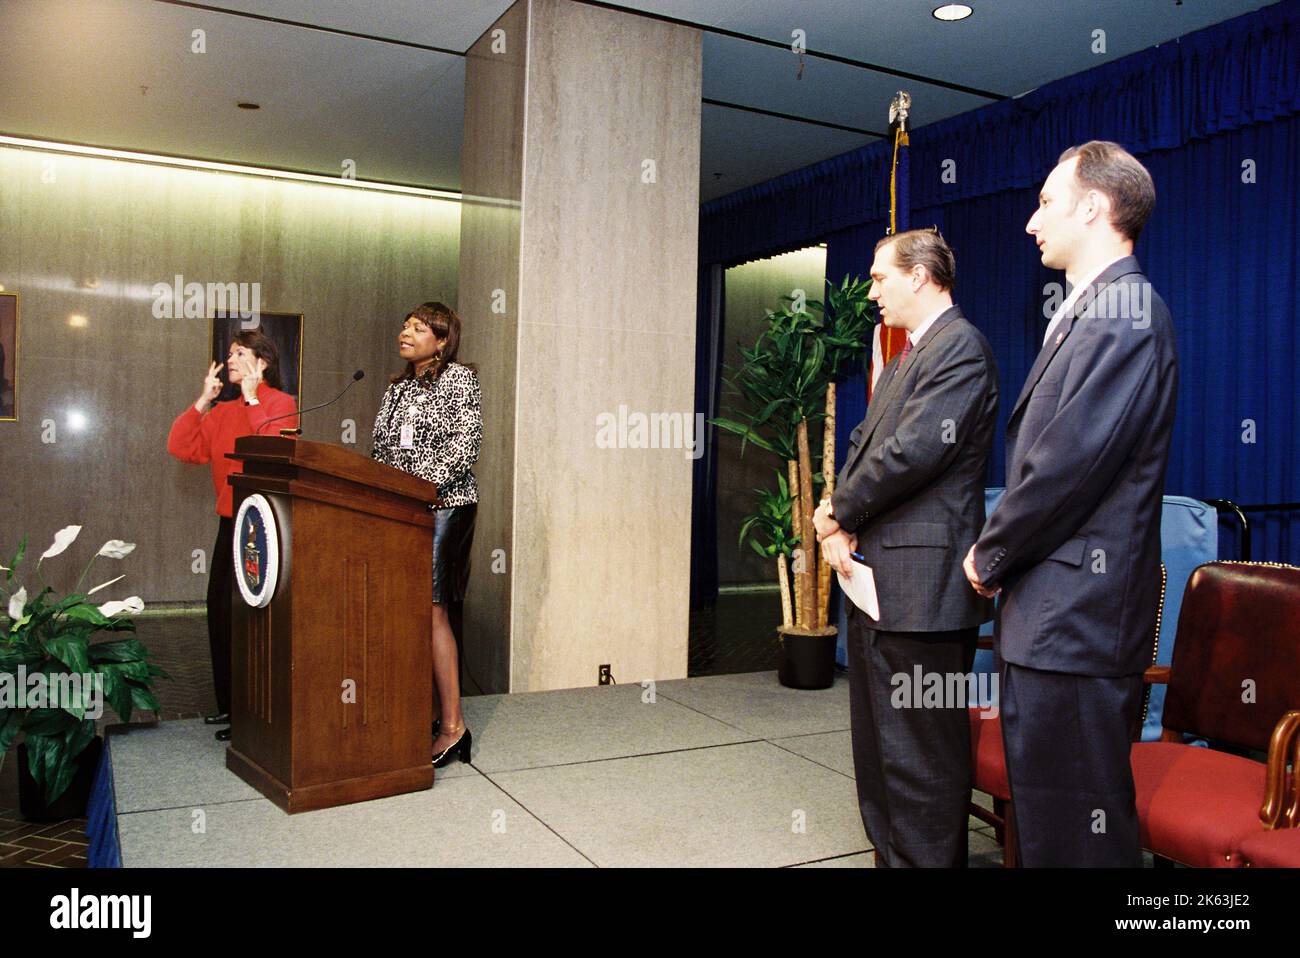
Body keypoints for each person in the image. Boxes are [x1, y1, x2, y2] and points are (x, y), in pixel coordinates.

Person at [963, 141, 1178, 867]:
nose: (1031, 222)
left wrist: (988, 554)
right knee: (1052, 830)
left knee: (1080, 836)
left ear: (1095, 207)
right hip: (1053, 621)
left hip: (1077, 625)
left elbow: (1066, 467)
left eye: (1047, 202)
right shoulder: (1089, 310)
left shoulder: (1127, 313)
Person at [814, 228, 998, 867]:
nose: (872, 293)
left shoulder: (960, 350)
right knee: (880, 751)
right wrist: (837, 520)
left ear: (920, 276)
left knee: (921, 759)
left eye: (879, 277)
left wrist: (836, 509)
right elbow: (866, 443)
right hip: (878, 584)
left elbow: (913, 454)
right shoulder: (904, 359)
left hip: (925, 593)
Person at [167, 330, 298, 741]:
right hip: (232, 522)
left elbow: (272, 449)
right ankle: (229, 706)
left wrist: (256, 400)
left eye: (240, 353)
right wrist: (204, 400)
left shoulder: (282, 404)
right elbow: (182, 448)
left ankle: (253, 711)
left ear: (262, 362)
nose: (230, 360)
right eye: (229, 353)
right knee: (221, 611)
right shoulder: (223, 412)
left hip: (267, 525)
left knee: (254, 617)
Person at [371, 302, 482, 768]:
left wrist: (421, 488)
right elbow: (379, 446)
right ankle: (418, 714)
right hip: (401, 510)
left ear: (441, 340)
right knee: (405, 611)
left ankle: (454, 727)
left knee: (432, 611)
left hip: (443, 507)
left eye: (419, 327)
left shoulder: (459, 378)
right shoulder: (396, 388)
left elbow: (466, 442)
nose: (406, 331)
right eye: (405, 323)